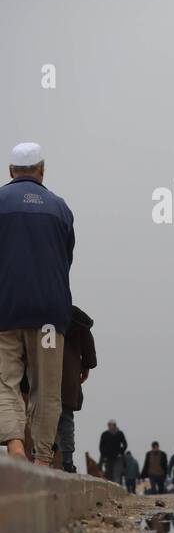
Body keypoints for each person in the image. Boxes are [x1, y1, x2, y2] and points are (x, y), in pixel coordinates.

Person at [0, 143, 76, 467]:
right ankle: (43, 460)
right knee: (46, 387)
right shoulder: (60, 208)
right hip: (48, 315)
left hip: (6, 312)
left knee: (5, 380)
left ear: (10, 171)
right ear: (42, 170)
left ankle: (15, 446)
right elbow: (66, 258)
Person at [56, 305, 96, 472]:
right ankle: (67, 461)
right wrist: (85, 367)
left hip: (47, 371)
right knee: (66, 419)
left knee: (44, 416)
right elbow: (89, 354)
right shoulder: (80, 322)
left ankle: (43, 457)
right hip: (70, 376)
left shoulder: (47, 311)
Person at [98, 420, 128, 485]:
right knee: (109, 476)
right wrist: (104, 456)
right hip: (108, 459)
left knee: (117, 475)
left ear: (114, 425)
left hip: (118, 458)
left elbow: (125, 444)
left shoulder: (120, 433)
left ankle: (118, 491)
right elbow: (101, 447)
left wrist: (120, 452)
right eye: (108, 425)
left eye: (110, 425)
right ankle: (112, 492)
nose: (109, 426)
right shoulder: (104, 434)